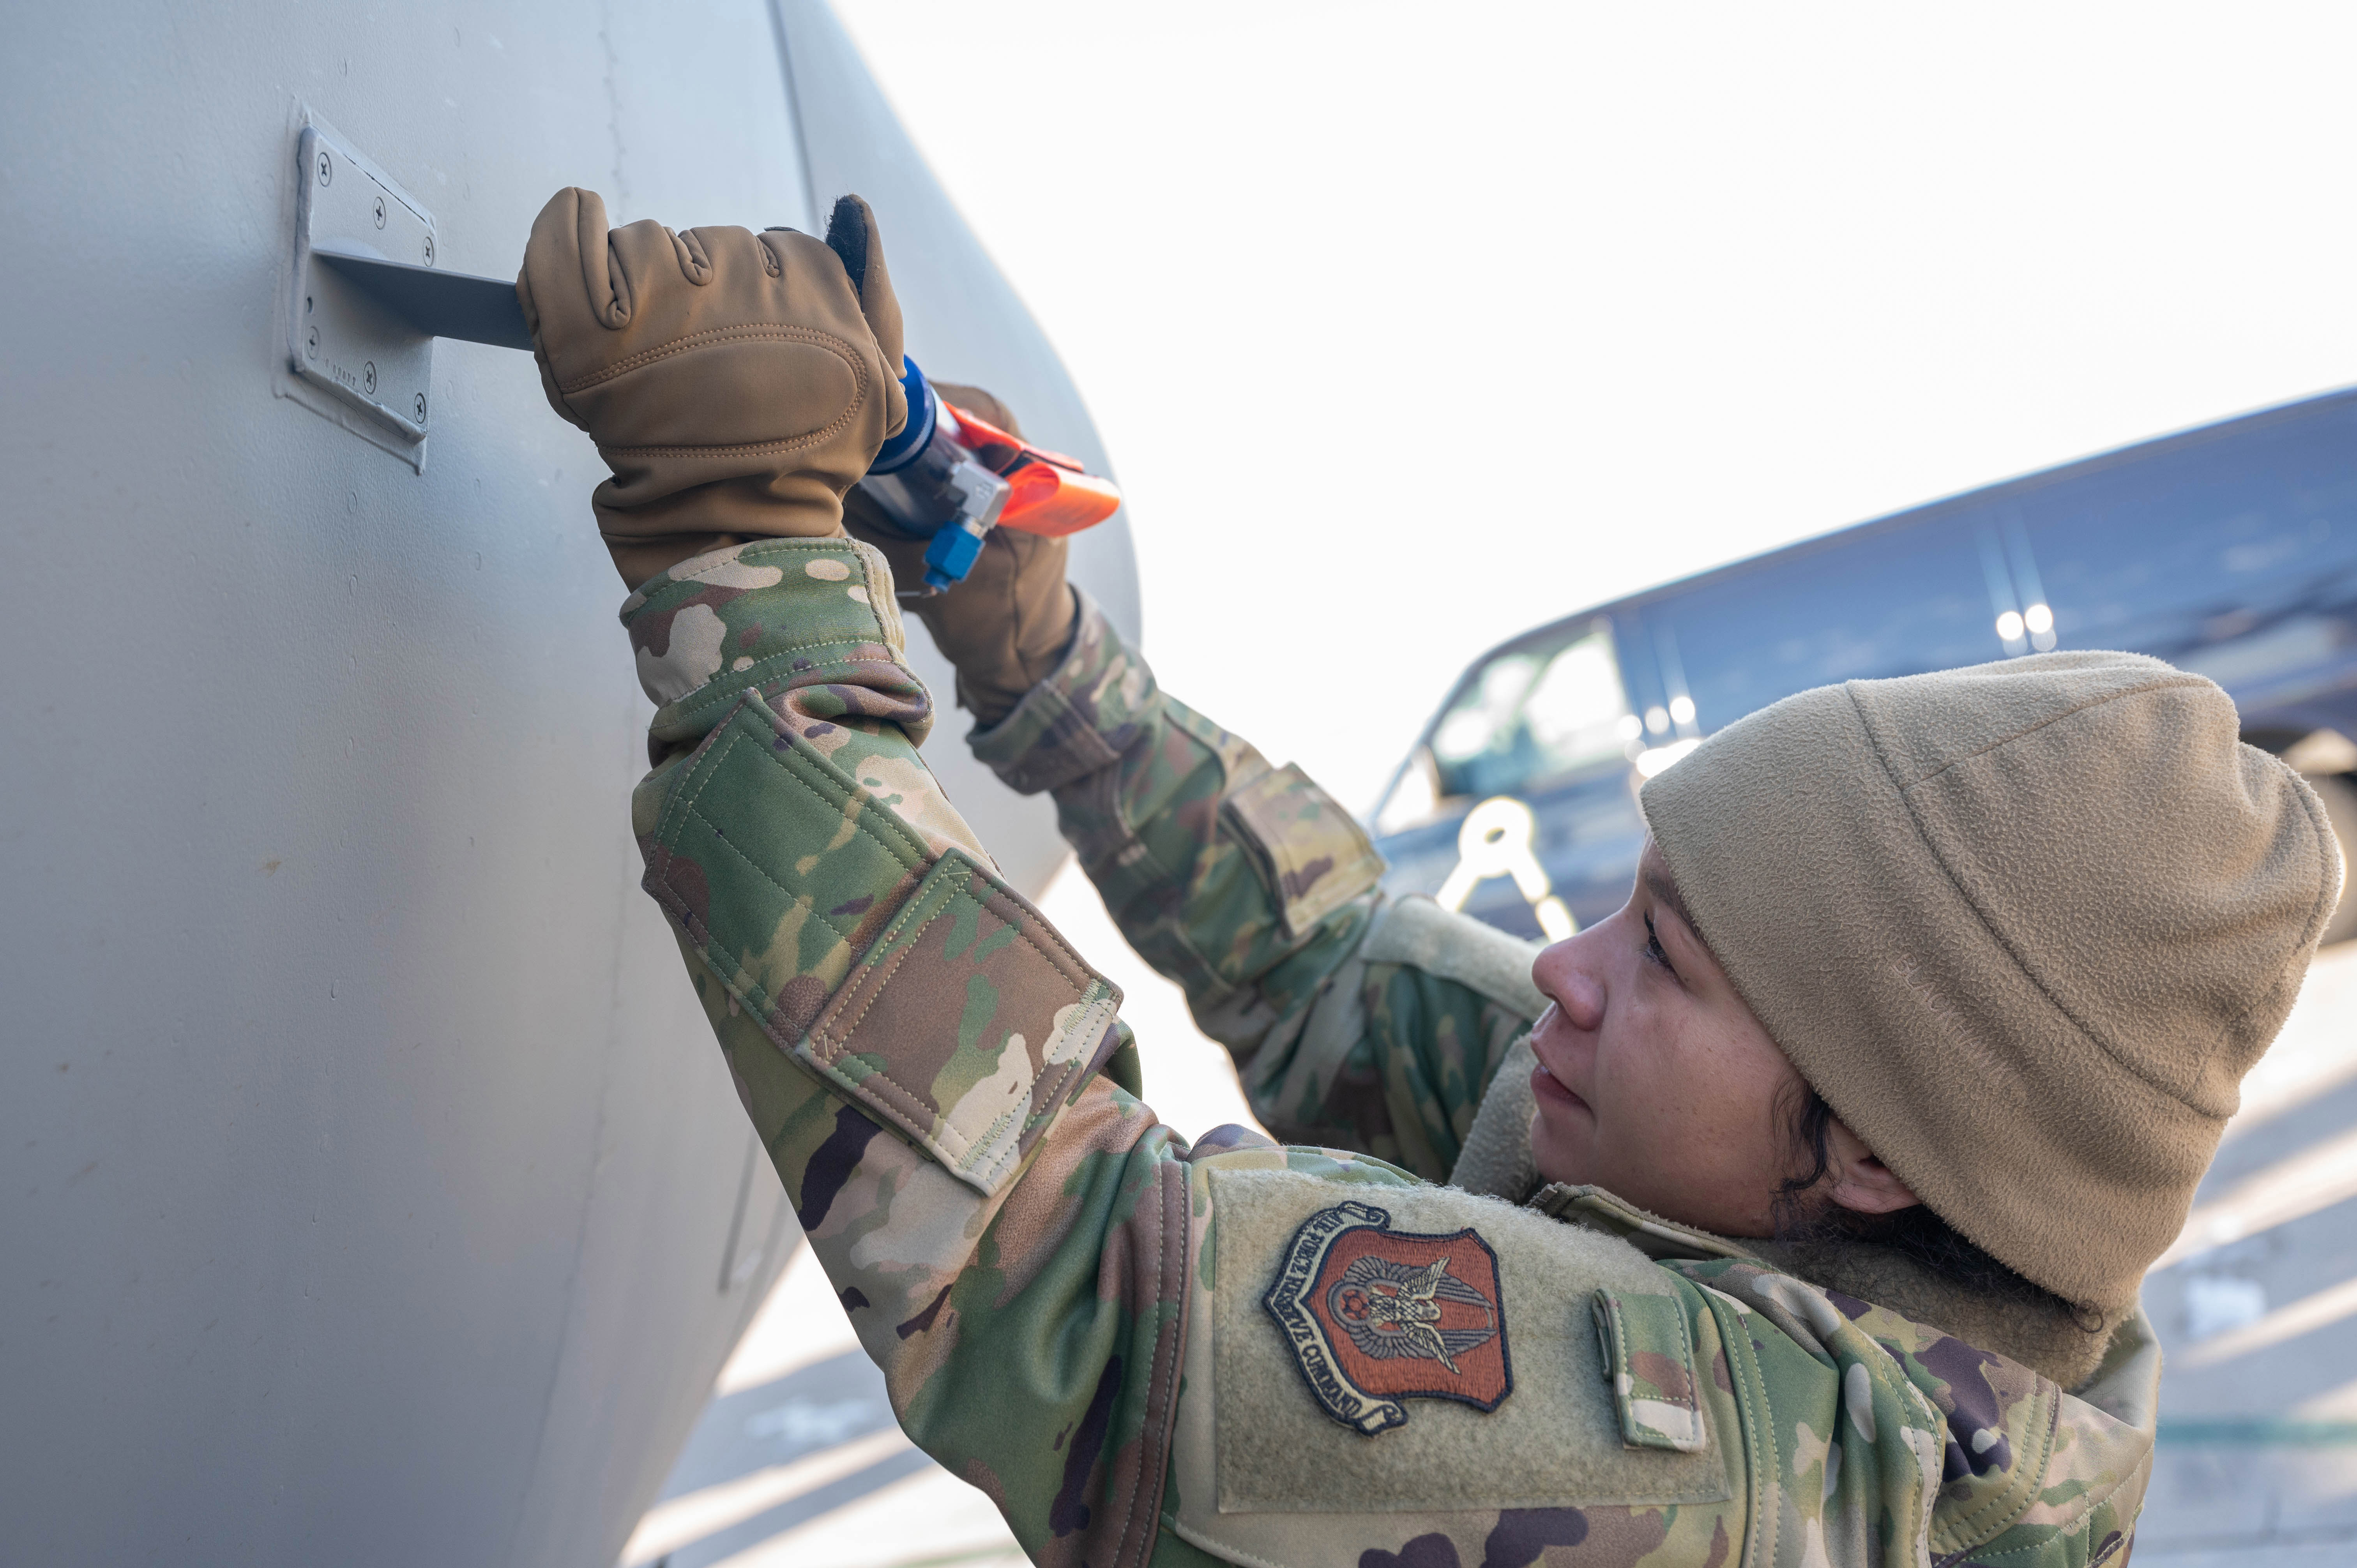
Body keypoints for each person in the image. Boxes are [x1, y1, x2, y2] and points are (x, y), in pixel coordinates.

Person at [514, 187, 2343, 1568]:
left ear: (1872, 1152)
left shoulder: (1742, 1479)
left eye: (1673, 965)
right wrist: (1048, 661)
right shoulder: (1871, 1231)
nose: (1568, 972)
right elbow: (1331, 972)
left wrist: (744, 555)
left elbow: (1077, 1293)